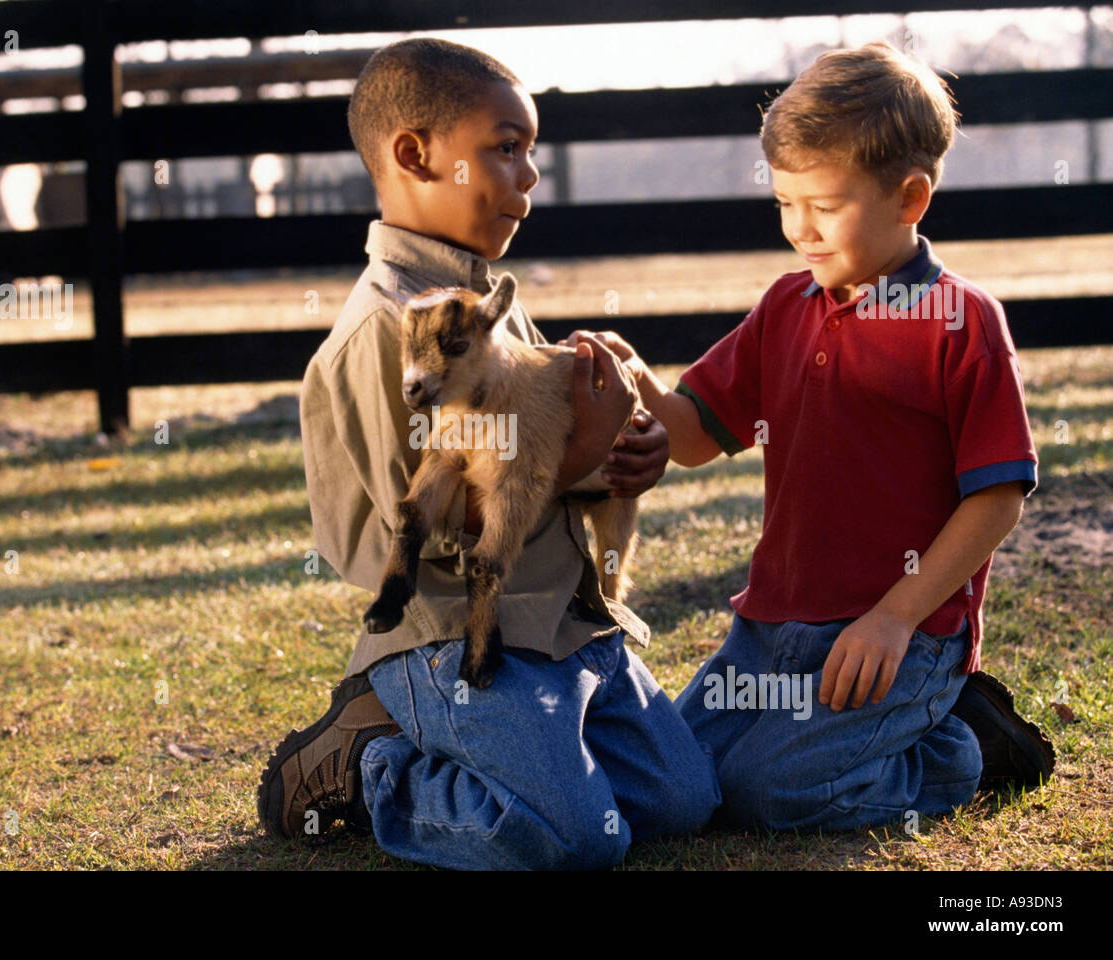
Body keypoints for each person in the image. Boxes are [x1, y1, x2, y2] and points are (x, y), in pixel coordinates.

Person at [566, 41, 1055, 831]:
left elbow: (997, 500)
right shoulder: (785, 306)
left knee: (770, 793)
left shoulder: (963, 324)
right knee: (680, 782)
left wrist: (896, 615)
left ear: (910, 198)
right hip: (768, 630)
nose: (800, 228)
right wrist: (642, 393)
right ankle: (871, 737)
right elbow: (693, 435)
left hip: (901, 633)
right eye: (785, 203)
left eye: (824, 206)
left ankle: (956, 748)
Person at [256, 37, 720, 868]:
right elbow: (432, 525)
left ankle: (518, 749)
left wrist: (621, 453)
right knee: (573, 839)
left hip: (568, 625)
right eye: (505, 148)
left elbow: (544, 454)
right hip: (458, 635)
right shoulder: (384, 332)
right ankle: (367, 764)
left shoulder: (491, 312)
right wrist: (578, 448)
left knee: (683, 802)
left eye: (531, 151)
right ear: (414, 155)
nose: (530, 175)